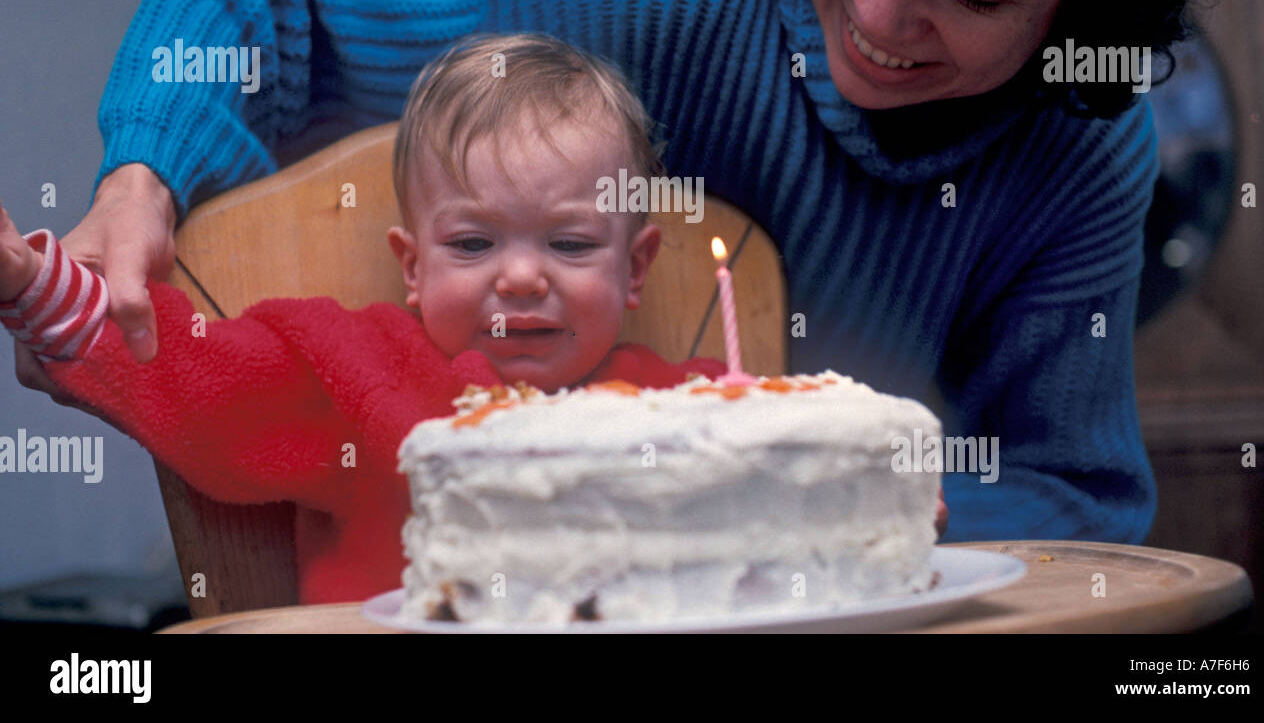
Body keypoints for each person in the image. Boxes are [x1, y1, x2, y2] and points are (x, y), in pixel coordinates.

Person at [18, 0, 1264, 543]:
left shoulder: (1083, 159)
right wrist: (145, 169)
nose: (881, 19)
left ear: (1075, 15)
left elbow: (1074, 499)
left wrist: (815, 512)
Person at [0, 32, 733, 603]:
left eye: (569, 243)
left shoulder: (688, 411)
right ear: (414, 267)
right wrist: (39, 285)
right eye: (473, 243)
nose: (519, 277)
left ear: (633, 267)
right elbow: (198, 377)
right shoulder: (357, 371)